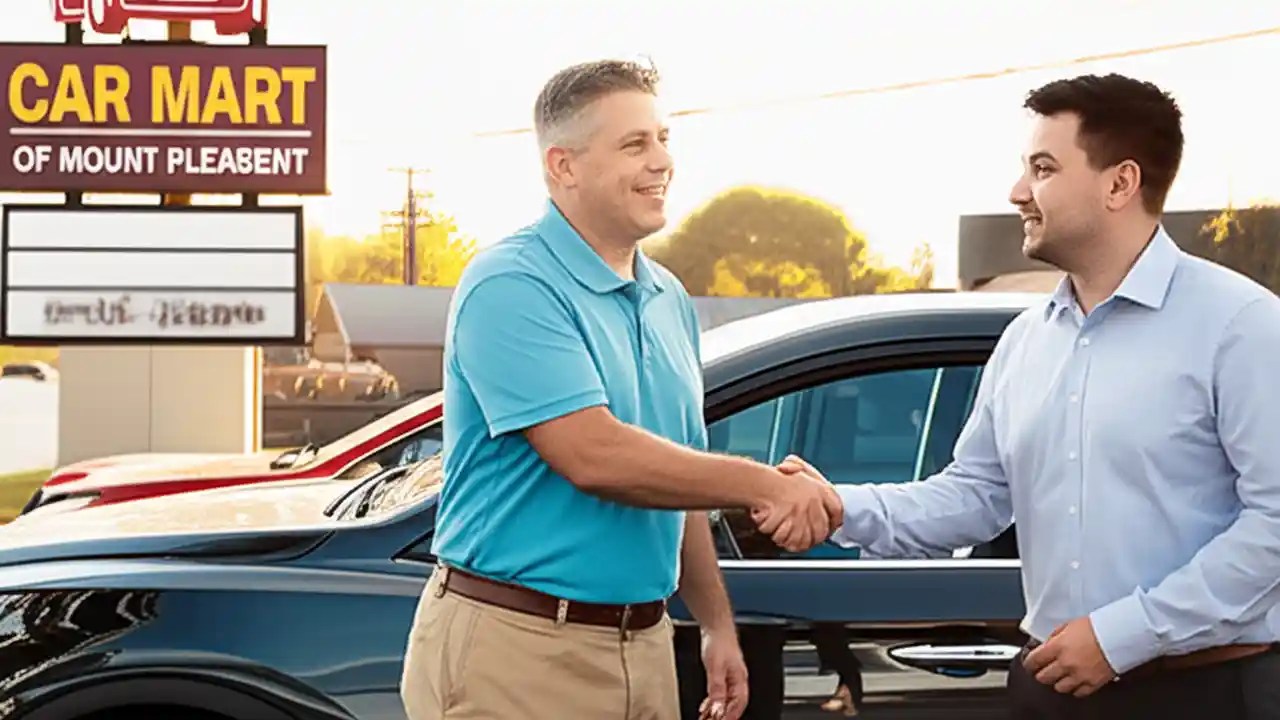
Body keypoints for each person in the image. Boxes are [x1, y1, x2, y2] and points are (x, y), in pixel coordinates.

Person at [761, 73, 1280, 719]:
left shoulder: (1241, 325)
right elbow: (976, 497)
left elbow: (1274, 524)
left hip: (1204, 694)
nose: (1017, 193)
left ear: (1121, 183)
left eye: (1042, 168)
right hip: (1052, 689)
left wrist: (1122, 636)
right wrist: (839, 505)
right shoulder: (1026, 341)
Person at [399, 58, 841, 720]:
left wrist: (716, 625)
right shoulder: (512, 286)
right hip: (515, 650)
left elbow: (679, 476)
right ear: (563, 165)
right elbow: (596, 457)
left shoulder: (667, 298)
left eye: (664, 139)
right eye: (635, 144)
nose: (662, 161)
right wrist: (770, 487)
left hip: (646, 644)